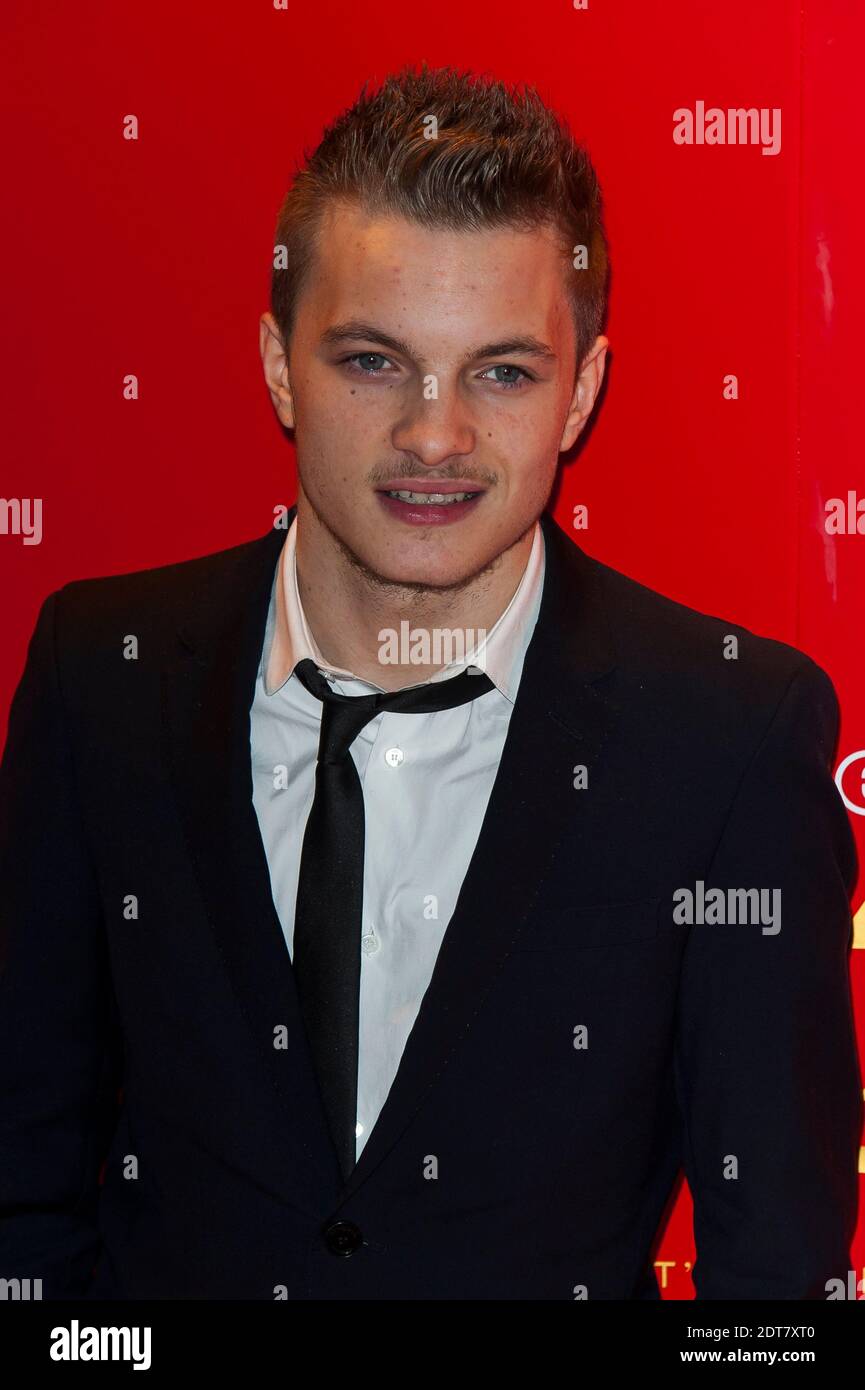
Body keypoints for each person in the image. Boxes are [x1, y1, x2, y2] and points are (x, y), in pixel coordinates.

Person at [0, 63, 860, 1301]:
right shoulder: (105, 674)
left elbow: (772, 1278)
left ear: (584, 393)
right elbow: (22, 1178)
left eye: (503, 371)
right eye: (370, 361)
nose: (435, 434)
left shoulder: (726, 735)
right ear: (281, 366)